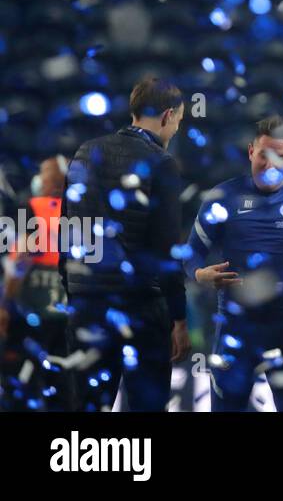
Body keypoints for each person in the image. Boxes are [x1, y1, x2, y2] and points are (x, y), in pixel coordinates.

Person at [62, 76, 191, 411]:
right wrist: (179, 317)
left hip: (87, 305)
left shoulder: (85, 152)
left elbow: (68, 231)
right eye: (177, 121)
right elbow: (165, 251)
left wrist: (74, 291)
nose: (175, 130)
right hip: (140, 309)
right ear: (166, 117)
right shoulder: (161, 163)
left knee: (87, 408)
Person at [184, 115, 283, 411]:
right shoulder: (223, 197)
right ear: (250, 151)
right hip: (235, 329)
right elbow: (190, 254)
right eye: (263, 154)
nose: (270, 165)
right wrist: (199, 274)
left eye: (280, 157)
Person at [1, 156, 72, 410]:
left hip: (30, 312)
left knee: (20, 385)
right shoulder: (81, 213)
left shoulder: (31, 208)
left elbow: (21, 258)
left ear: (50, 181)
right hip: (66, 317)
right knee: (62, 387)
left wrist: (5, 303)